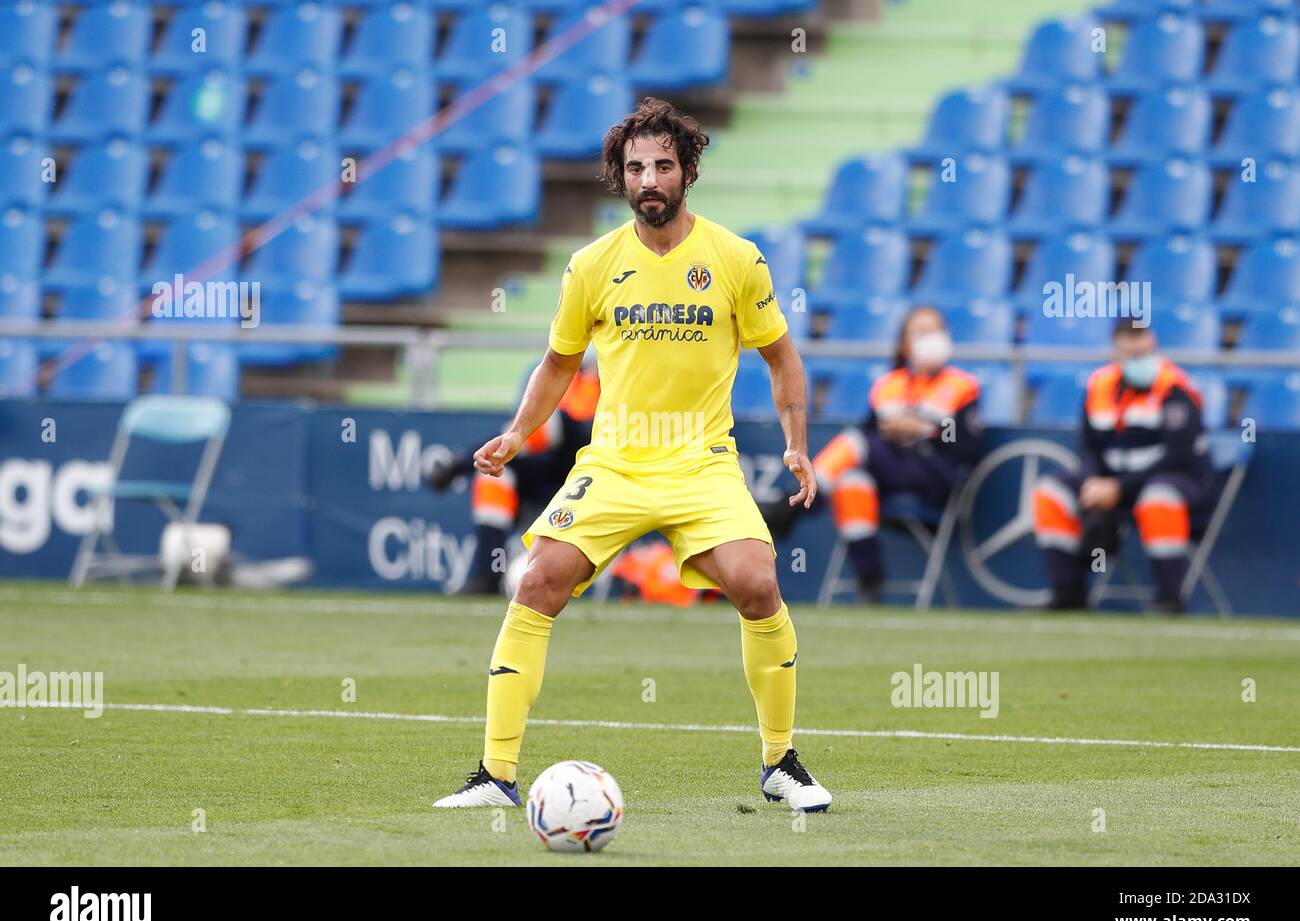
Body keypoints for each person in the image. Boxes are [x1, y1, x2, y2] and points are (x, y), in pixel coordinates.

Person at [434, 97, 832, 811]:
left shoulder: (736, 260)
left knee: (758, 584)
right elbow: (558, 364)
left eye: (663, 166)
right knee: (537, 582)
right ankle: (495, 776)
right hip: (613, 464)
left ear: (688, 173)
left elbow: (782, 360)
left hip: (702, 464)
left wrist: (798, 446)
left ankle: (781, 764)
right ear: (620, 178)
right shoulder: (591, 265)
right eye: (636, 167)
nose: (649, 178)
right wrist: (519, 432)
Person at [763, 306, 982, 600]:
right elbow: (868, 435)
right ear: (905, 343)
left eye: (937, 330)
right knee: (853, 480)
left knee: (858, 443)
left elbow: (967, 448)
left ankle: (790, 505)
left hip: (933, 472)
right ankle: (870, 577)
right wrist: (892, 430)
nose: (932, 338)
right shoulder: (888, 385)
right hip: (886, 474)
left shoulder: (962, 386)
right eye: (922, 332)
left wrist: (923, 430)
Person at [1033, 317, 1212, 613]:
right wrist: (1093, 482)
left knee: (1159, 496)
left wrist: (1117, 487)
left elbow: (1177, 456)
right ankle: (1068, 592)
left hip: (1179, 482)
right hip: (1113, 483)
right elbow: (1089, 445)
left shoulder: (1175, 387)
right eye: (1133, 356)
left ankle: (1169, 598)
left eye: (1146, 354)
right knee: (1050, 491)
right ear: (1116, 354)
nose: (1141, 361)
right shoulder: (1099, 385)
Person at [428, 360, 599, 594]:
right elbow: (519, 432)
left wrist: (459, 465)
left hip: (592, 475)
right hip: (549, 477)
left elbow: (540, 430)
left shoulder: (595, 382)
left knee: (547, 428)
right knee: (495, 479)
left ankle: (459, 464)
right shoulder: (548, 371)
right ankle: (488, 575)